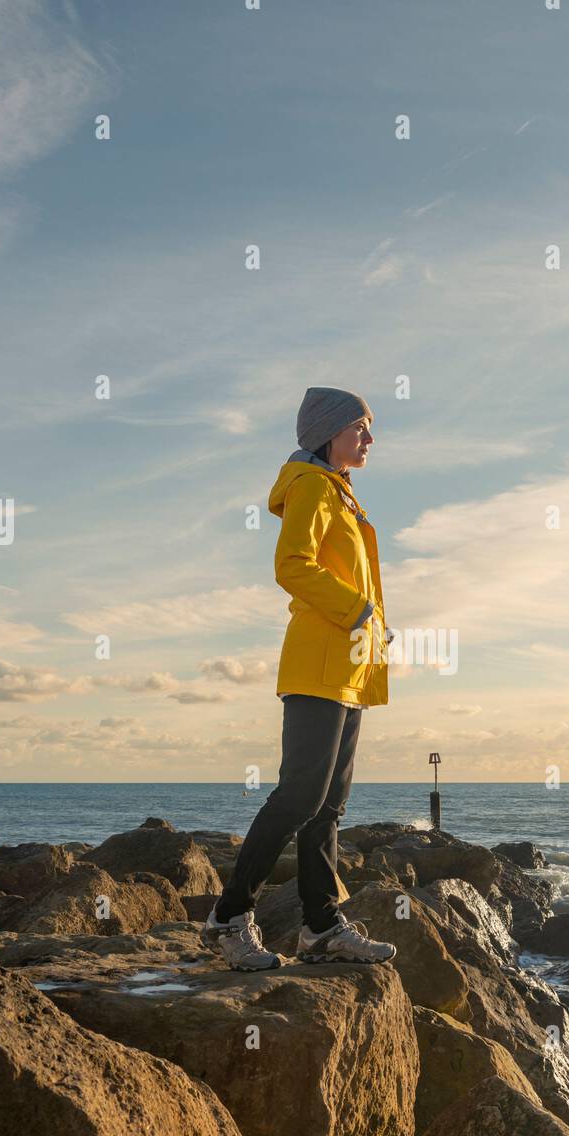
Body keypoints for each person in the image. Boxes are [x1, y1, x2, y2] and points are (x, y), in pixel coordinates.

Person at [202, 386, 398, 971]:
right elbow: (293, 565)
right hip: (318, 662)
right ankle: (229, 917)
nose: (369, 438)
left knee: (329, 805)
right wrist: (360, 612)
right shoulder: (313, 486)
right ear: (328, 432)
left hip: (348, 665)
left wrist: (372, 628)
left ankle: (320, 926)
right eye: (360, 426)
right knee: (300, 796)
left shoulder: (342, 495)